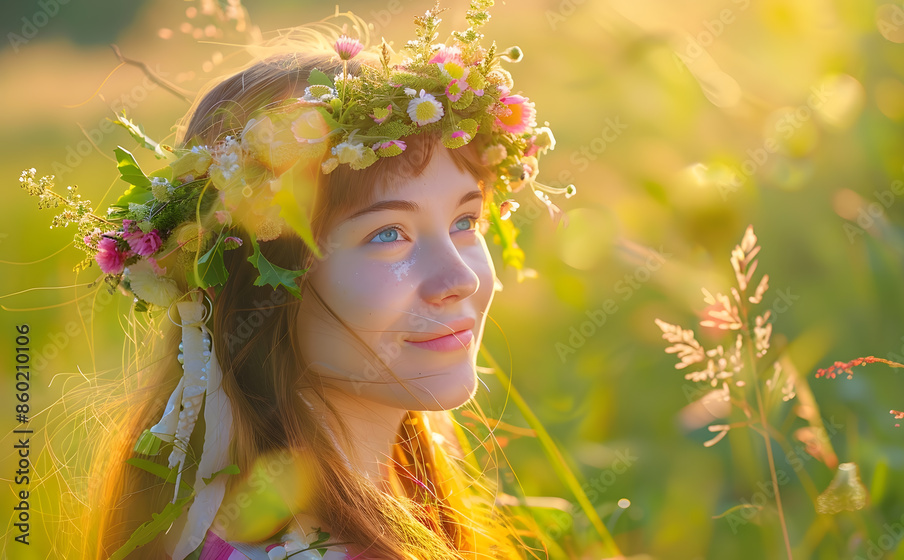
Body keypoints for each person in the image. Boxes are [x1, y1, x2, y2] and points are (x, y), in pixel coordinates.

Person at [18, 2, 574, 559]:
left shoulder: (397, 493)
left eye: (465, 222)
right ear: (262, 280)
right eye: (388, 234)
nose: (460, 278)